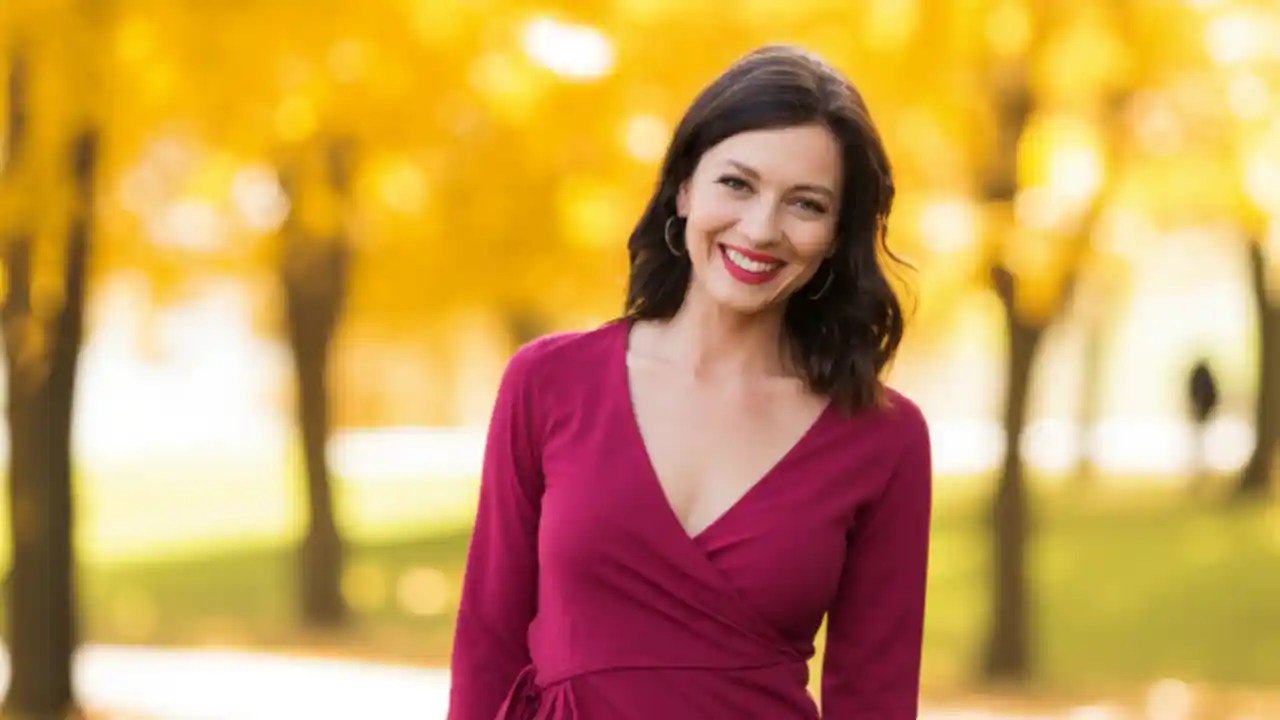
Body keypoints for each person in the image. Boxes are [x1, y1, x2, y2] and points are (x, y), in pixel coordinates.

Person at [447, 44, 933, 720]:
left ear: (836, 234)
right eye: (737, 184)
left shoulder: (882, 437)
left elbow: (875, 702)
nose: (762, 229)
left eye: (807, 204)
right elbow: (487, 647)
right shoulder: (547, 383)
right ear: (683, 189)